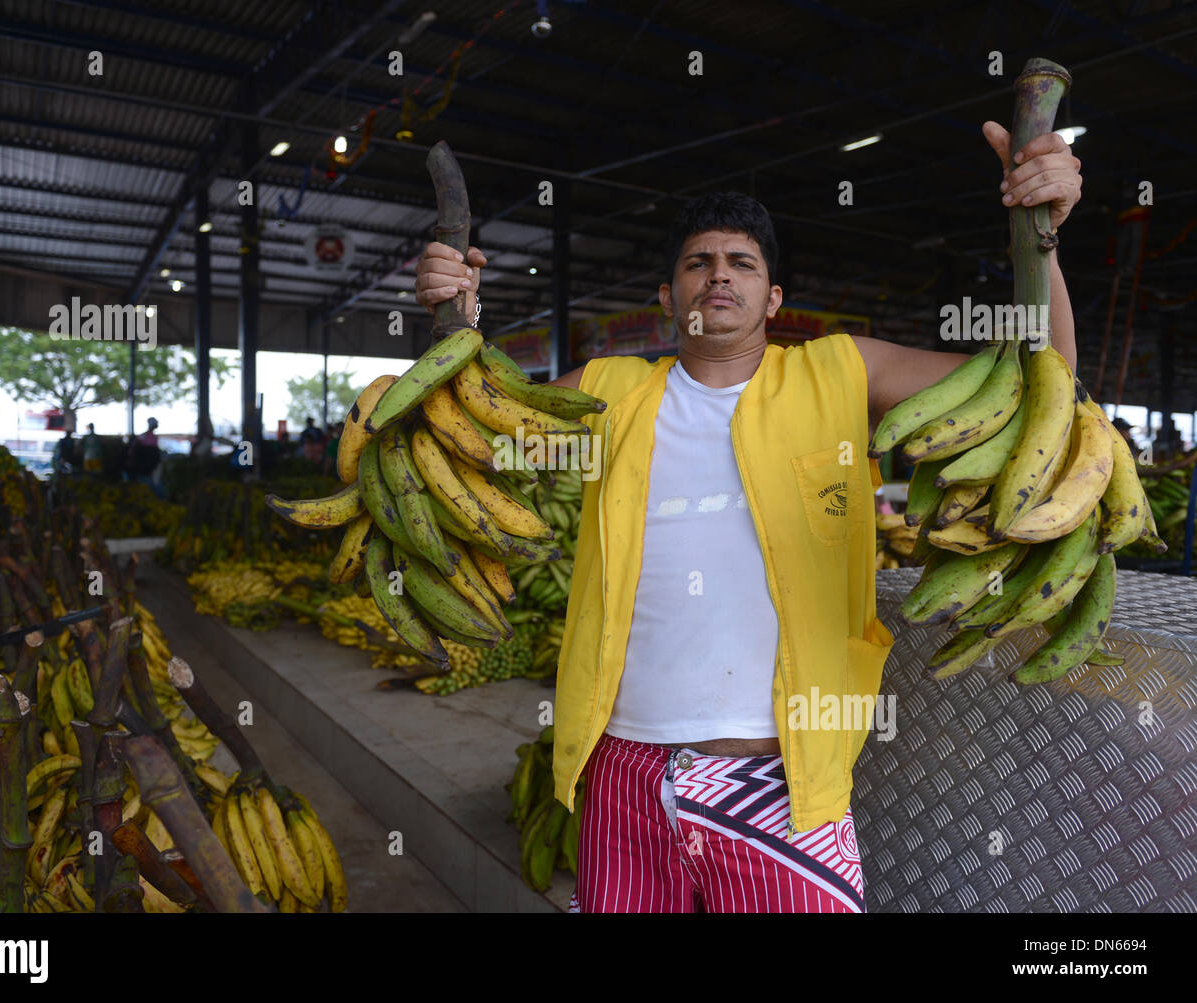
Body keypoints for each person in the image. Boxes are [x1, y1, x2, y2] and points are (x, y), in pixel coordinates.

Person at [415, 122, 1083, 913]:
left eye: (741, 262)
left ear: (772, 297)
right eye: (697, 262)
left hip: (783, 781)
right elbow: (483, 446)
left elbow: (1045, 381)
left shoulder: (841, 373)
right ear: (668, 297)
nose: (718, 276)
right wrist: (457, 312)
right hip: (624, 775)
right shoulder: (606, 388)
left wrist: (1041, 240)